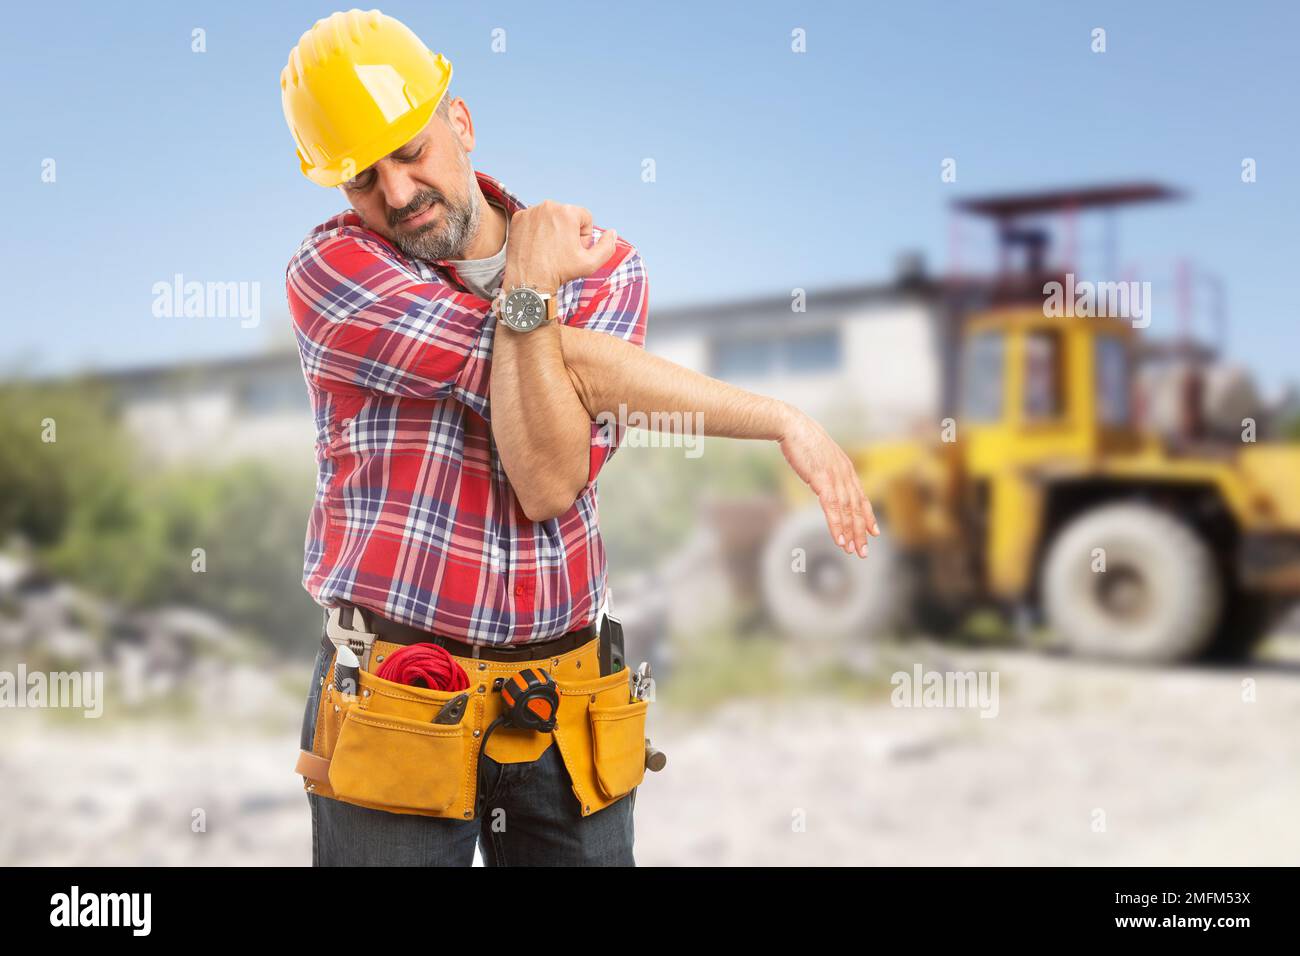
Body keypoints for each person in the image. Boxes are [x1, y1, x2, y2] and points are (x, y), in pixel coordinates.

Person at [282, 9, 877, 866]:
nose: (398, 194)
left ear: (461, 121)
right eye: (362, 180)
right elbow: (554, 391)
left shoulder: (609, 266)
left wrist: (533, 308)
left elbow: (550, 474)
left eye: (410, 152)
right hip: (394, 689)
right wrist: (530, 281)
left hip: (564, 697)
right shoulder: (335, 272)